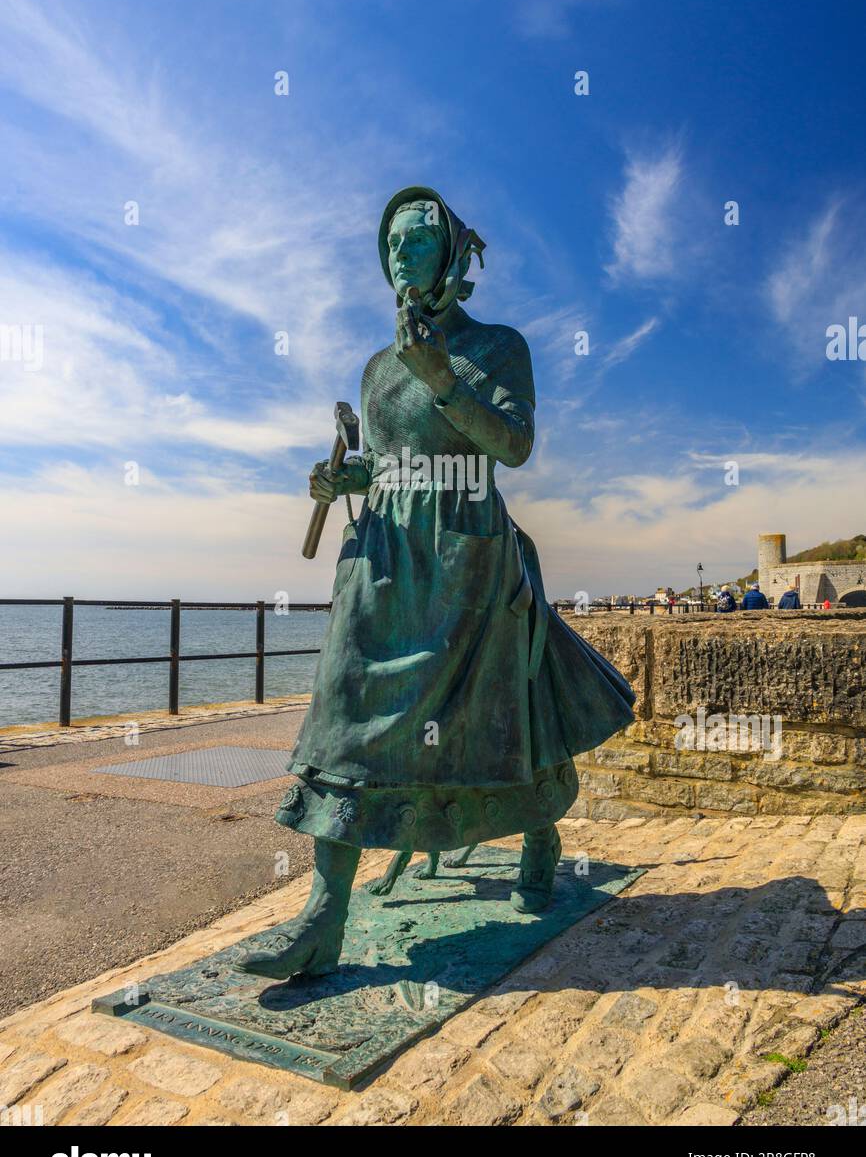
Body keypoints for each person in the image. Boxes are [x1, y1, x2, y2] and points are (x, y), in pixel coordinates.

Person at [239, 186, 636, 981]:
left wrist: (445, 375)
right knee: (346, 715)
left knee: (495, 715)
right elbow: (388, 462)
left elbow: (514, 446)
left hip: (467, 556)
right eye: (390, 241)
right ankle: (324, 914)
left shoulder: (497, 346)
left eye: (417, 240)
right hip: (384, 558)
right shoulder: (378, 367)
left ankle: (537, 828)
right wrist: (341, 478)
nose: (399, 253)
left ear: (453, 252)